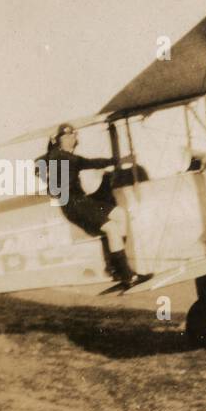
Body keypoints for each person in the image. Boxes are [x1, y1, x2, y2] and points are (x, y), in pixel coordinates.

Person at [38, 123, 150, 290]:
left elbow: (40, 164)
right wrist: (120, 160)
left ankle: (115, 268)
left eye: (73, 135)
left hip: (80, 200)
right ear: (59, 140)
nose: (71, 138)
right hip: (73, 203)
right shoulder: (61, 156)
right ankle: (127, 275)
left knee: (119, 214)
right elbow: (91, 163)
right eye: (66, 136)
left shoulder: (59, 156)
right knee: (112, 228)